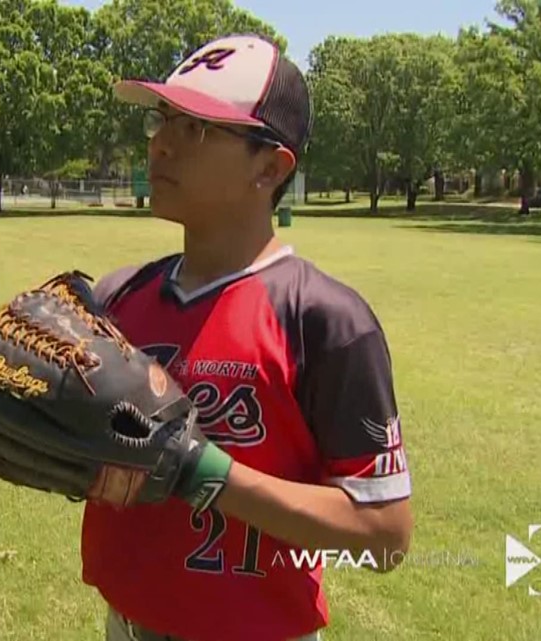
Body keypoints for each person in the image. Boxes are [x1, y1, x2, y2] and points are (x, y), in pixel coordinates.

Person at [81, 34, 415, 641]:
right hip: (124, 626)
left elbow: (384, 534)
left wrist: (202, 471)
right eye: (162, 119)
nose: (160, 142)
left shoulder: (326, 322)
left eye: (194, 128)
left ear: (271, 167)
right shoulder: (118, 297)